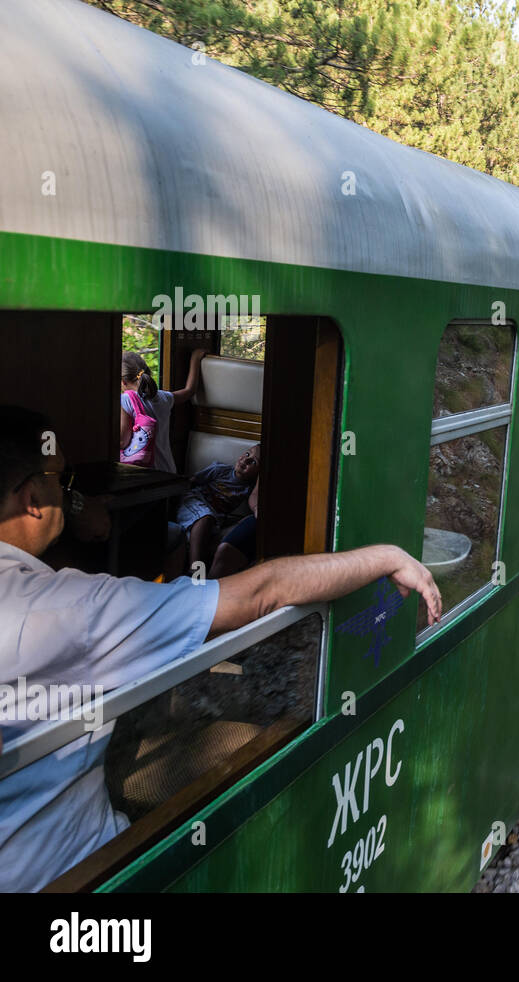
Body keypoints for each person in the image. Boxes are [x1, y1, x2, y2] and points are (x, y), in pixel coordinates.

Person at [0, 405, 440, 892]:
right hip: (73, 871)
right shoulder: (70, 609)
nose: (70, 493)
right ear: (32, 499)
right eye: (62, 480)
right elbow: (261, 593)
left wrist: (76, 509)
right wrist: (385, 556)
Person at [120, 348, 205, 473]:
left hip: (144, 475)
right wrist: (195, 358)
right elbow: (189, 391)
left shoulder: (125, 400)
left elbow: (122, 441)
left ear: (123, 382)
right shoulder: (163, 397)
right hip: (168, 470)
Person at [178, 445, 260, 572]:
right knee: (206, 518)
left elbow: (254, 500)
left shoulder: (249, 488)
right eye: (247, 454)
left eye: (253, 462)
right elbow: (192, 481)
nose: (246, 460)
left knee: (214, 524)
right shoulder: (220, 469)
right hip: (194, 501)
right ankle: (196, 570)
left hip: (215, 515)